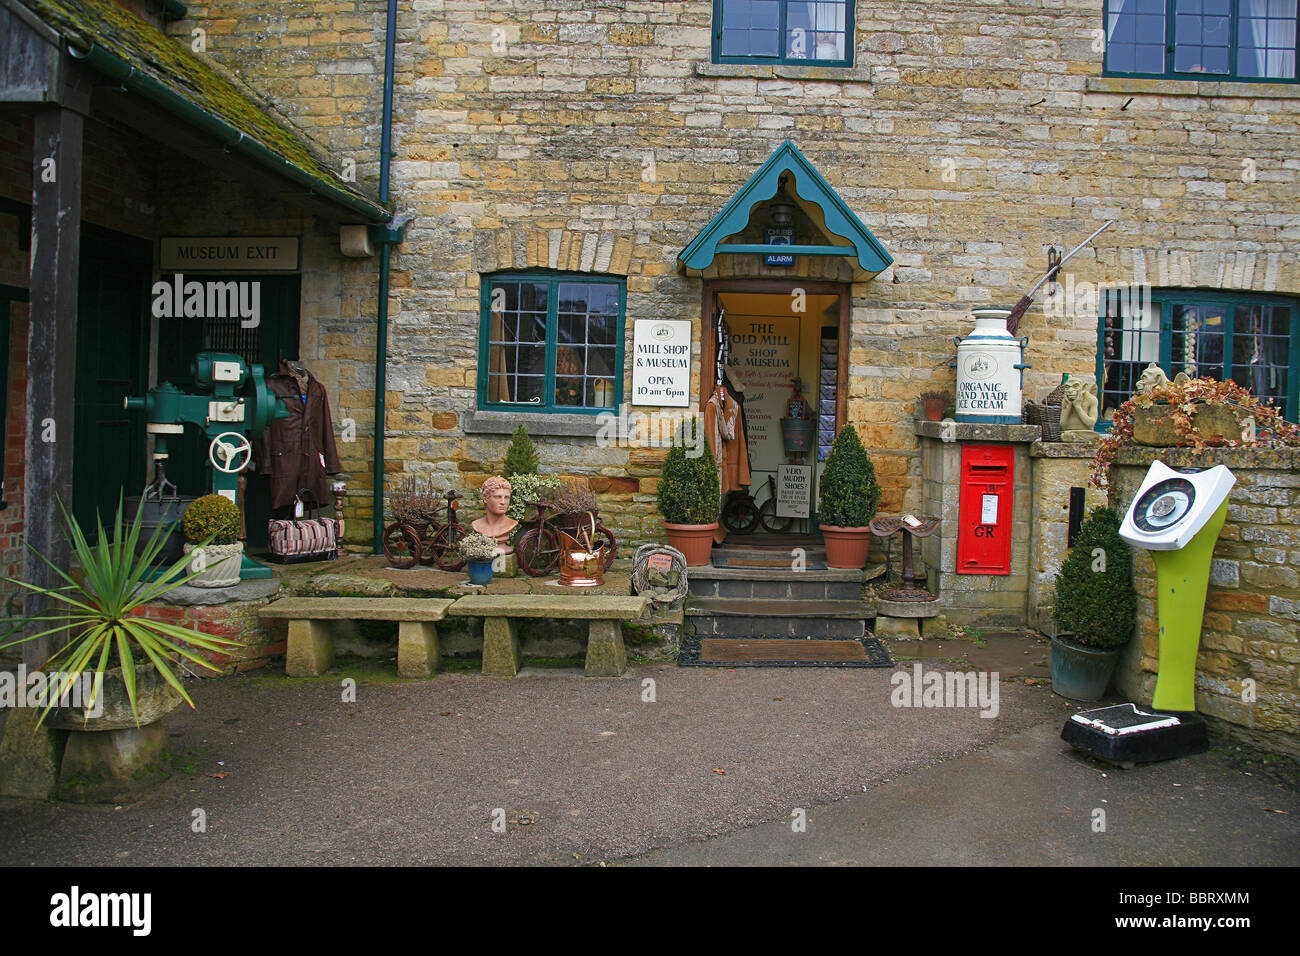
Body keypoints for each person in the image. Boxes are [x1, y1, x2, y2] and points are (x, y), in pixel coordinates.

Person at [471, 476, 518, 546]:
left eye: (506, 497)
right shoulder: (476, 525)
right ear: (485, 498)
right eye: (498, 497)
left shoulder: (511, 524)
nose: (503, 502)